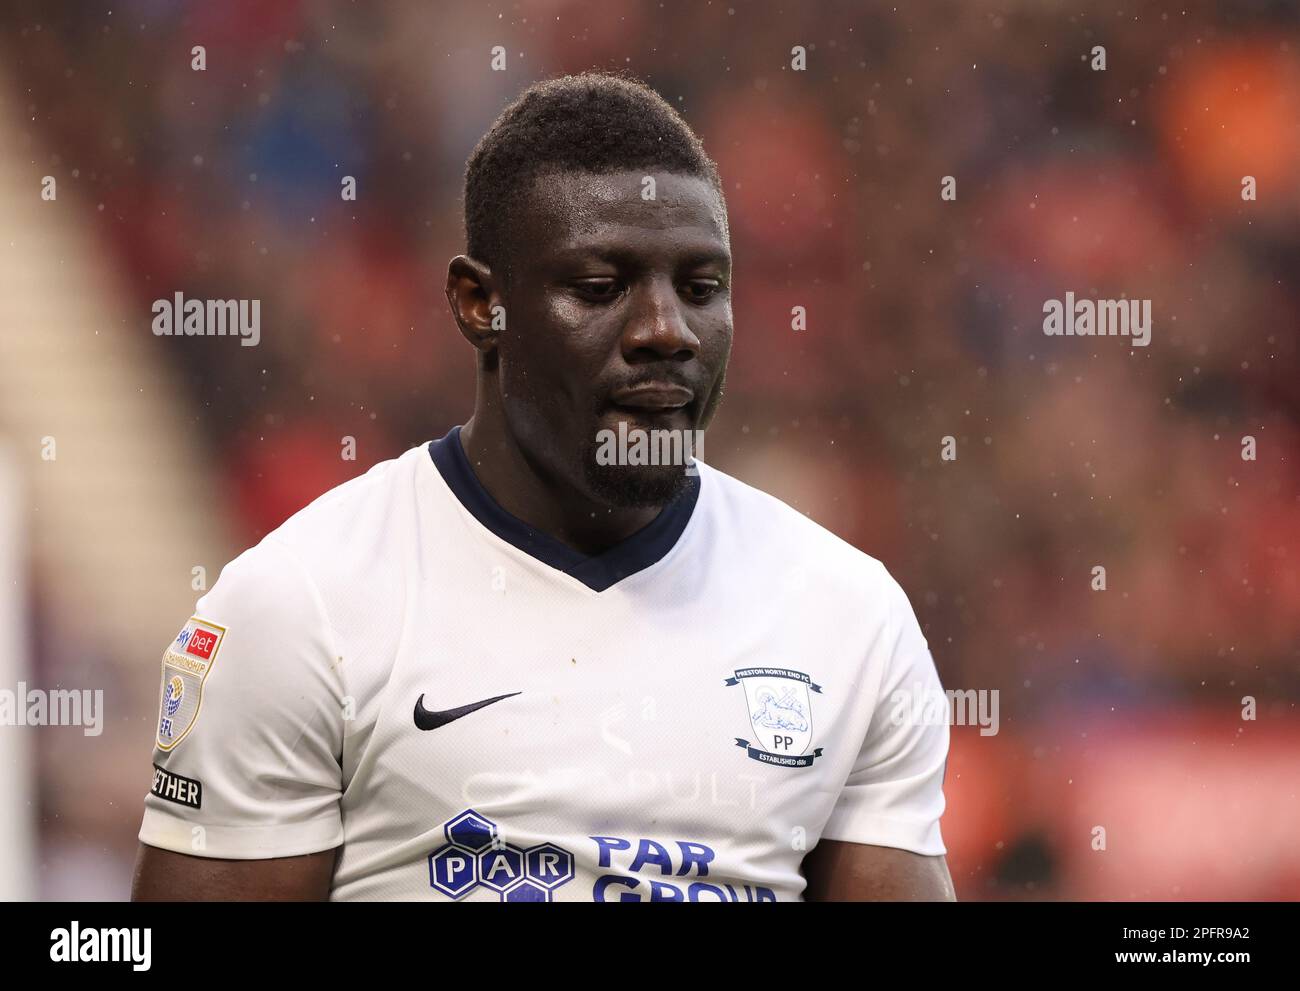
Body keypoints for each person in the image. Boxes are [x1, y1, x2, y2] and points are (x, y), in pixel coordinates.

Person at [131, 71, 954, 902]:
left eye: (701, 289)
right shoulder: (301, 604)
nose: (666, 330)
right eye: (601, 288)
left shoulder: (849, 620)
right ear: (479, 303)